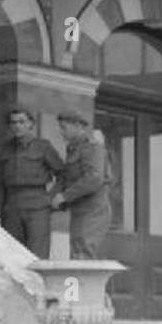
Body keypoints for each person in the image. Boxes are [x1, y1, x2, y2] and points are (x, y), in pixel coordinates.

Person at [0, 107, 63, 258]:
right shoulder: (5, 149)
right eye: (13, 122)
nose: (17, 126)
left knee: (37, 253)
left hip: (37, 204)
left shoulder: (43, 146)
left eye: (21, 122)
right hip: (11, 205)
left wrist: (51, 197)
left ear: (30, 124)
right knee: (11, 253)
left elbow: (62, 174)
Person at [52, 110, 112, 258]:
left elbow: (94, 178)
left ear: (78, 126)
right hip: (80, 209)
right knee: (77, 255)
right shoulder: (73, 149)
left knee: (83, 255)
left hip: (93, 210)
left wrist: (65, 196)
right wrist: (54, 199)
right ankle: (79, 282)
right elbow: (67, 178)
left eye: (64, 127)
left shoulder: (92, 147)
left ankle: (83, 283)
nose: (61, 132)